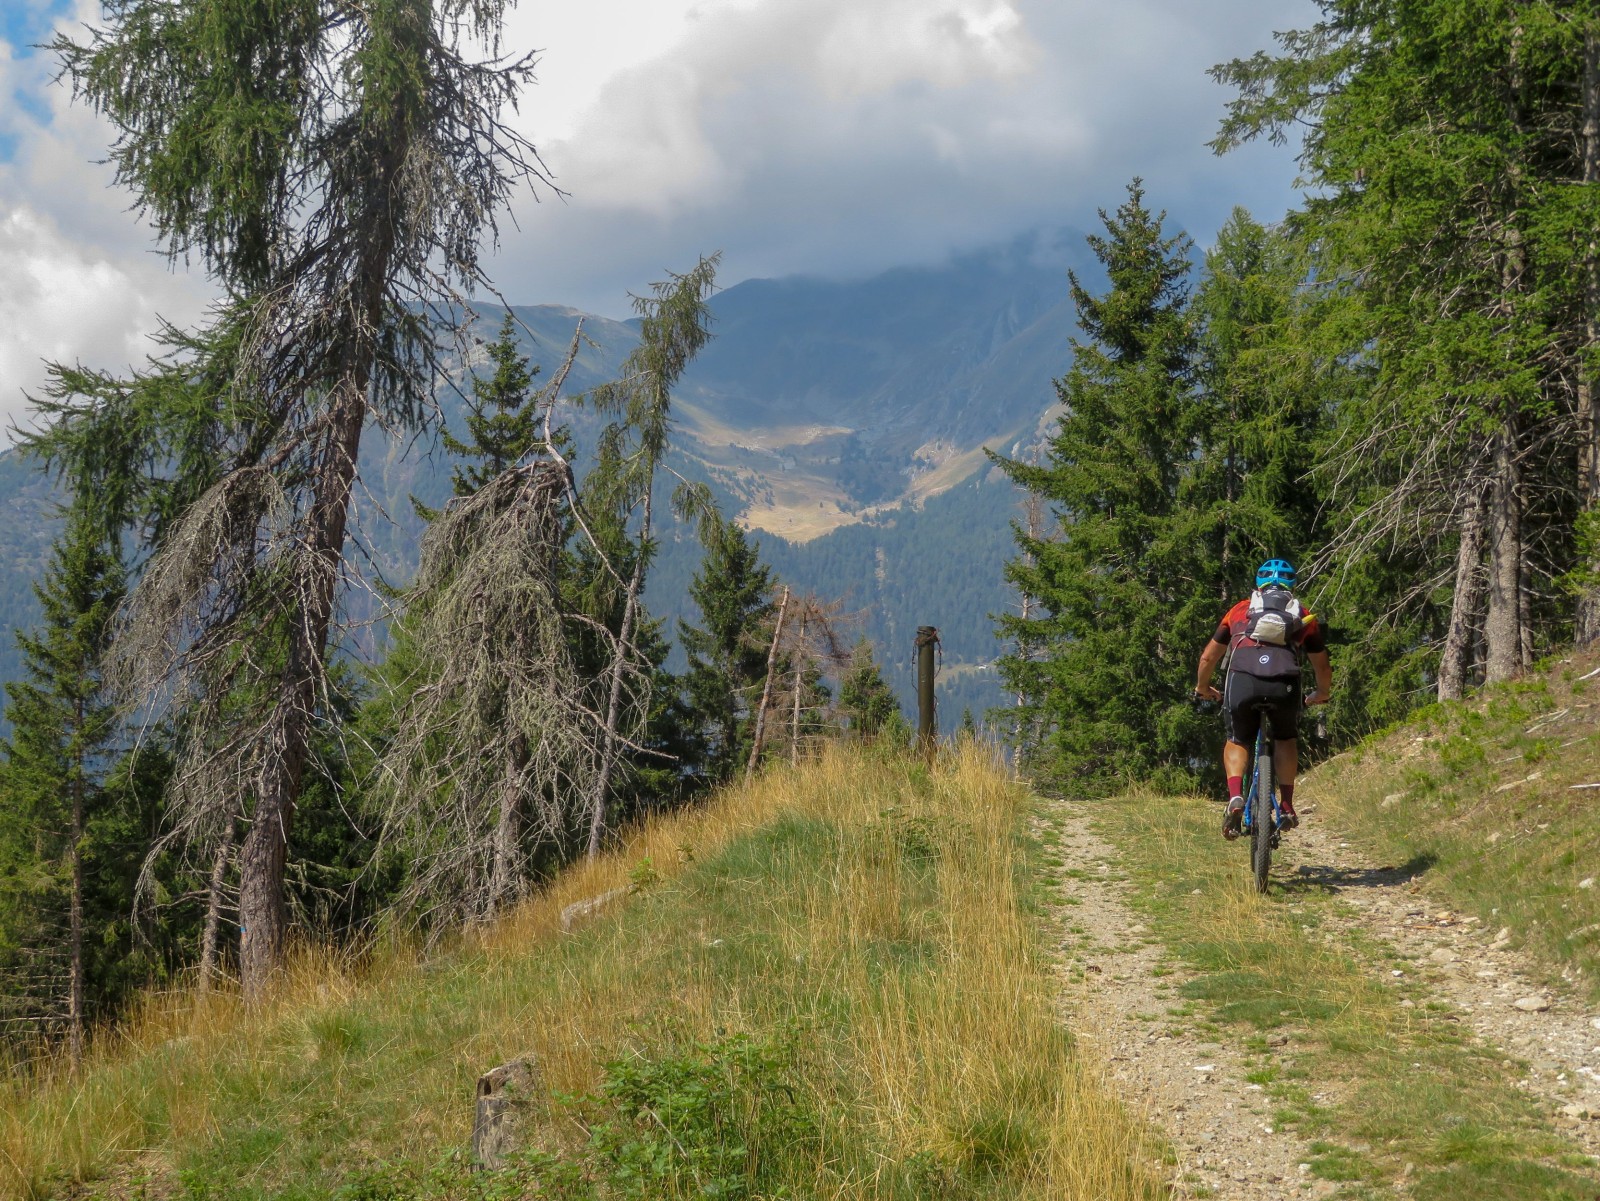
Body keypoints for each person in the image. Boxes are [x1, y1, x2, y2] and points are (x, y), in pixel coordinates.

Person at [1193, 559, 1332, 840]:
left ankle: (1235, 796)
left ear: (1259, 583)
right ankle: (1287, 805)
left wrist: (1203, 687)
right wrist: (1322, 693)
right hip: (1285, 684)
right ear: (1292, 584)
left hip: (1242, 680)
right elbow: (1322, 666)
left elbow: (1208, 656)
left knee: (1238, 740)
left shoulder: (1240, 610)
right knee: (1285, 739)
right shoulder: (1303, 615)